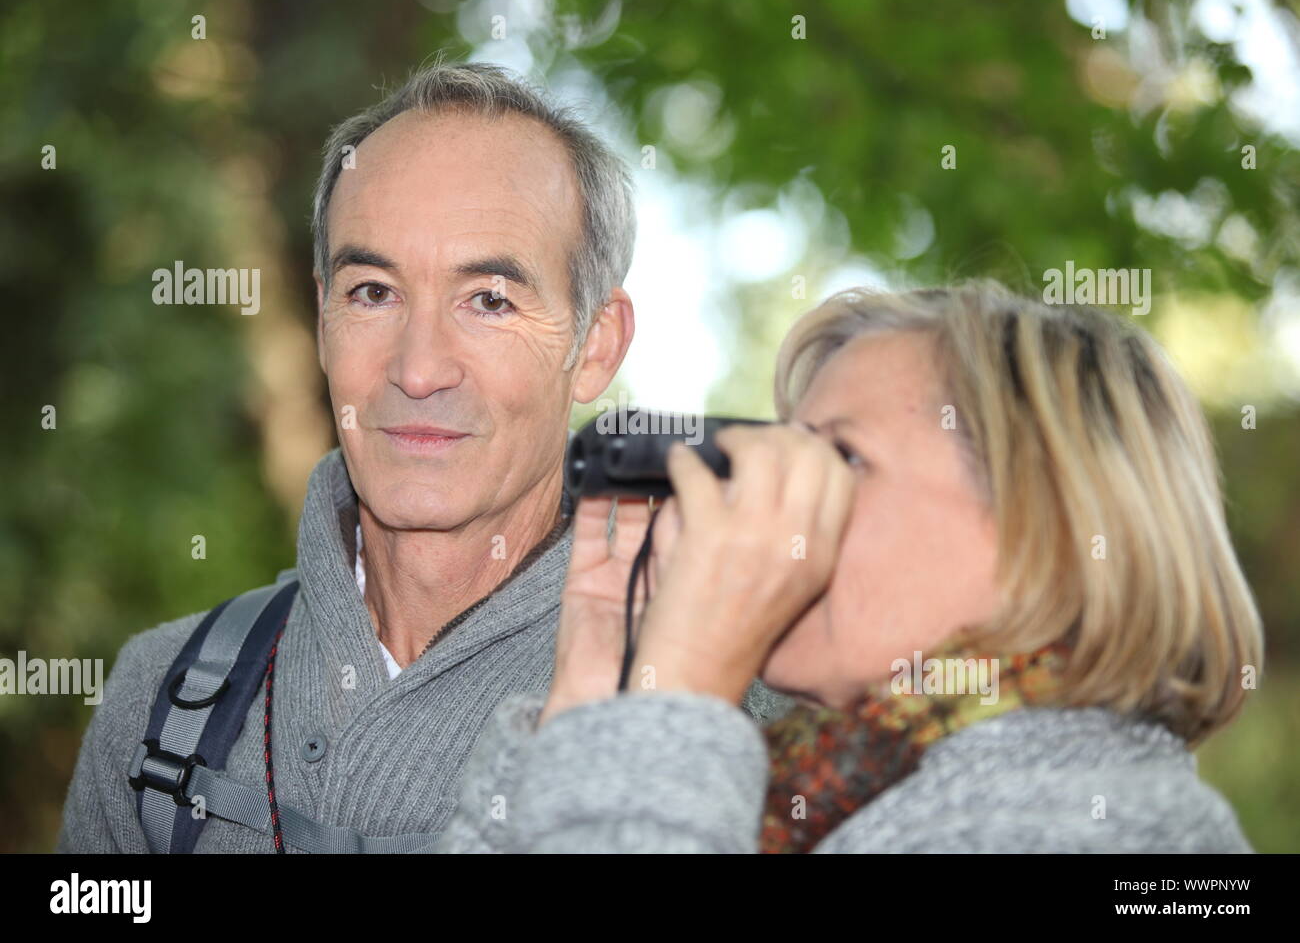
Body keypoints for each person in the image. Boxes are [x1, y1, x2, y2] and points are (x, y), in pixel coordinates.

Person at [56, 59, 788, 854]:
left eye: (489, 301)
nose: (418, 369)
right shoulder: (162, 701)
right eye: (373, 291)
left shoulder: (730, 712)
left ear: (595, 345)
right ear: (323, 318)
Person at [433, 280, 1262, 853]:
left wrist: (676, 707)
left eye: (838, 460)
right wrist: (587, 708)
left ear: (1045, 527)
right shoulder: (817, 797)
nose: (781, 502)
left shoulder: (1115, 831)